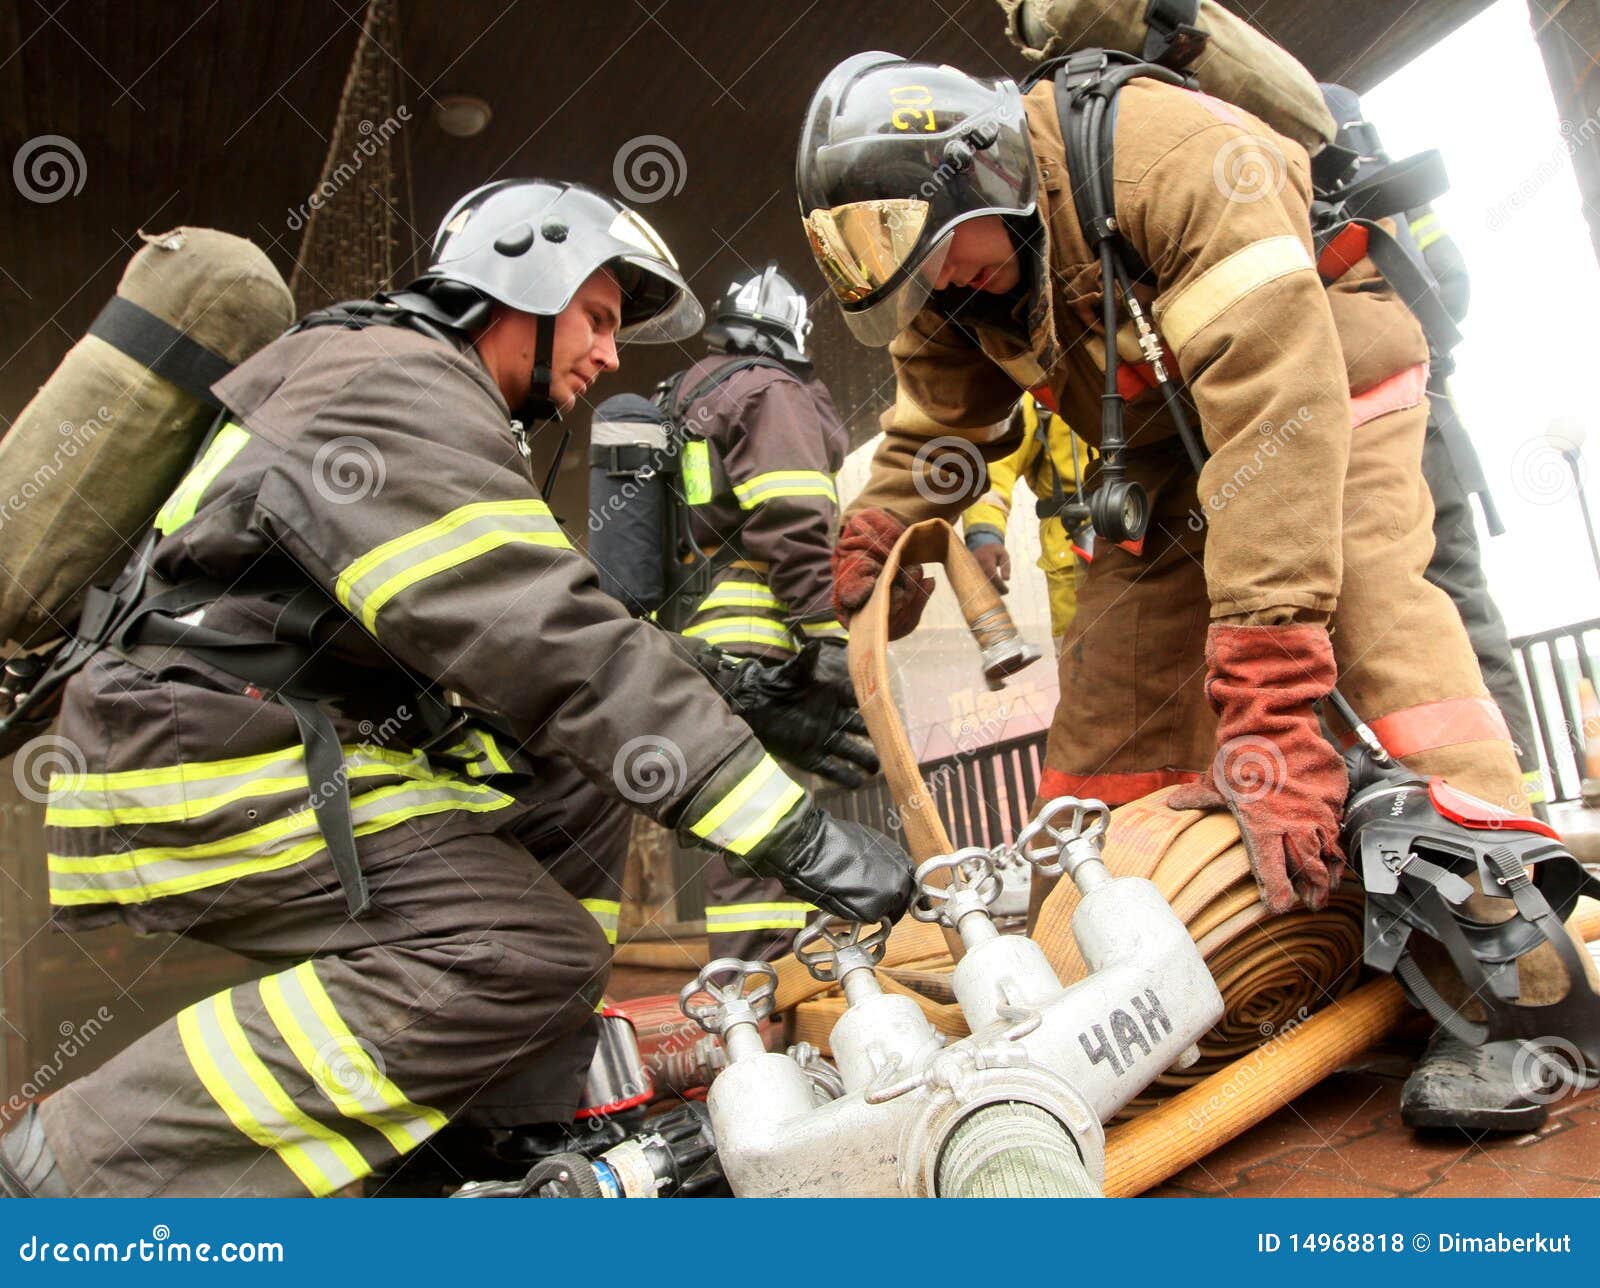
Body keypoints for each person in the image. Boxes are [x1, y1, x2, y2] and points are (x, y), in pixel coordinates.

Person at [0, 179, 914, 1198]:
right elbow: (544, 638)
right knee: (521, 947)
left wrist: (738, 693)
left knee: (577, 778)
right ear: (520, 277)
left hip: (245, 729)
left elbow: (525, 633)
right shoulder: (394, 388)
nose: (613, 356)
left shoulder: (409, 385)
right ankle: (81, 1163)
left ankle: (482, 1132)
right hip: (186, 752)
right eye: (600, 318)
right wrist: (798, 838)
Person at [797, 52, 1590, 1131]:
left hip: (1324, 390)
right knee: (1110, 706)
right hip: (1171, 454)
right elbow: (941, 418)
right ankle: (1134, 974)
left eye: (929, 252)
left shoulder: (1164, 158)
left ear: (980, 174)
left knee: (1378, 639)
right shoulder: (958, 273)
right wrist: (887, 515)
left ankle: (1528, 1006)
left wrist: (1270, 689)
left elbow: (1280, 410)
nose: (929, 284)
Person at [1320, 83, 1547, 819]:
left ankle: (1493, 805)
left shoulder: (1309, 193)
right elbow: (1451, 285)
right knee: (1459, 601)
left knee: (1412, 604)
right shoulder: (1387, 182)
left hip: (1385, 419)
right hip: (1429, 407)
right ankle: (1519, 799)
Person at [650, 263, 858, 961]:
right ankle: (764, 992)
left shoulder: (683, 396)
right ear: (795, 331)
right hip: (760, 640)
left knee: (744, 821)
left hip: (696, 643)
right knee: (768, 823)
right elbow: (794, 513)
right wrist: (826, 632)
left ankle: (748, 992)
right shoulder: (771, 393)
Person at [960, 391, 1091, 653]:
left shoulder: (1148, 371)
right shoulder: (1039, 395)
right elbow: (994, 469)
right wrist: (984, 535)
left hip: (1154, 539)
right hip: (1073, 554)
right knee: (1084, 670)